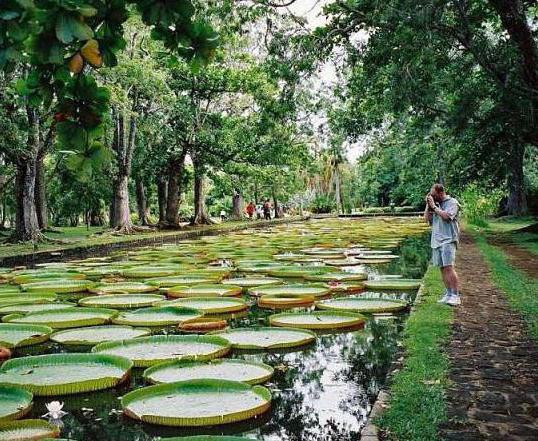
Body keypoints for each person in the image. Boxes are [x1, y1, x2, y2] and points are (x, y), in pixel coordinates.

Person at [424, 183, 461, 306]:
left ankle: (455, 295)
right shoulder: (435, 205)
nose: (433, 197)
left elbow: (447, 217)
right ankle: (448, 293)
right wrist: (428, 206)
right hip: (437, 240)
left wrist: (434, 207)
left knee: (449, 267)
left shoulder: (452, 203)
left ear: (441, 193)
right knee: (442, 268)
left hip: (448, 239)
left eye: (434, 195)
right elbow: (427, 220)